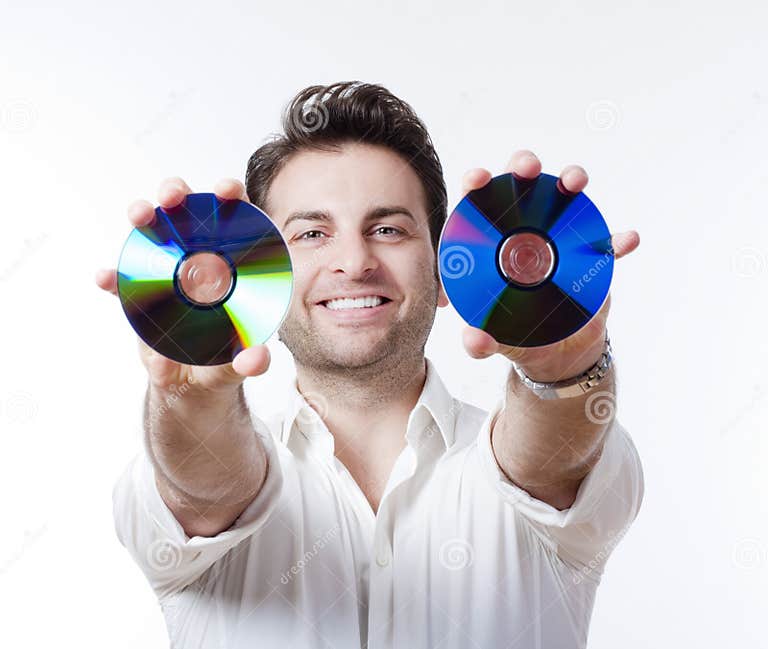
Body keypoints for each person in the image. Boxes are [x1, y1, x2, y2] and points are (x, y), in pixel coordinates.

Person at [95, 81, 644, 649]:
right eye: (312, 233)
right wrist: (196, 398)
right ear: (266, 270)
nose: (355, 262)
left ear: (443, 272)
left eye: (388, 229)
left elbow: (550, 463)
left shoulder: (529, 467)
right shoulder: (176, 484)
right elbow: (204, 493)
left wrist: (565, 372)